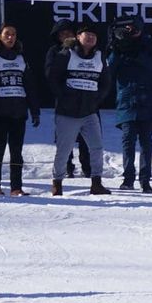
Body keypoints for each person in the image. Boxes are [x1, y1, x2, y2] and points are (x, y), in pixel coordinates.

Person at [46, 22, 112, 196]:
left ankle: (96, 183)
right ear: (77, 37)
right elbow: (53, 77)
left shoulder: (99, 56)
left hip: (90, 111)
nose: (90, 37)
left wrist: (97, 98)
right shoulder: (66, 54)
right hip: (68, 112)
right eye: (86, 34)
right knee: (64, 149)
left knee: (97, 148)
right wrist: (65, 96)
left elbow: (105, 82)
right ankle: (57, 183)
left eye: (93, 35)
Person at [0, 24, 40, 196]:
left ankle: (16, 187)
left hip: (18, 112)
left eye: (13, 34)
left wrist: (35, 111)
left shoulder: (20, 59)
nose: (10, 37)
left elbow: (30, 86)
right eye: (7, 34)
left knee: (17, 151)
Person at [107, 15, 152, 193]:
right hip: (126, 99)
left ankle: (145, 180)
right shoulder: (118, 46)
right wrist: (117, 47)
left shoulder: (148, 44)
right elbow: (110, 70)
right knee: (127, 140)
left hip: (147, 100)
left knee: (146, 142)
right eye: (126, 29)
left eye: (133, 28)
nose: (129, 32)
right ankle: (128, 178)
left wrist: (135, 50)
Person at [45, 19, 90, 178]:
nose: (66, 36)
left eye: (69, 32)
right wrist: (61, 94)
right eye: (62, 33)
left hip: (86, 99)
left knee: (87, 136)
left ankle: (88, 167)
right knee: (65, 137)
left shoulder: (84, 49)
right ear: (57, 36)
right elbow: (50, 75)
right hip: (65, 100)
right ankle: (66, 167)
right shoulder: (54, 51)